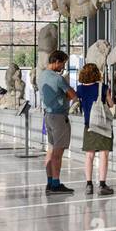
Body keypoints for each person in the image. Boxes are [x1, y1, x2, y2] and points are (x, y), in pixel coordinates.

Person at [38, 50, 77, 193]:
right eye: (63, 63)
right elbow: (73, 95)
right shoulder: (57, 78)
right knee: (58, 153)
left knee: (50, 150)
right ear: (56, 62)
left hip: (48, 116)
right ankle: (56, 184)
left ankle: (49, 182)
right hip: (59, 117)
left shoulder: (41, 76)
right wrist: (66, 94)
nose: (63, 67)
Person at [76, 62, 115, 195]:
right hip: (102, 124)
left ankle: (89, 185)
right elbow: (111, 104)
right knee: (103, 154)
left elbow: (77, 101)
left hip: (89, 125)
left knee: (89, 155)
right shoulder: (103, 87)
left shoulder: (80, 89)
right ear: (96, 74)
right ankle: (102, 185)